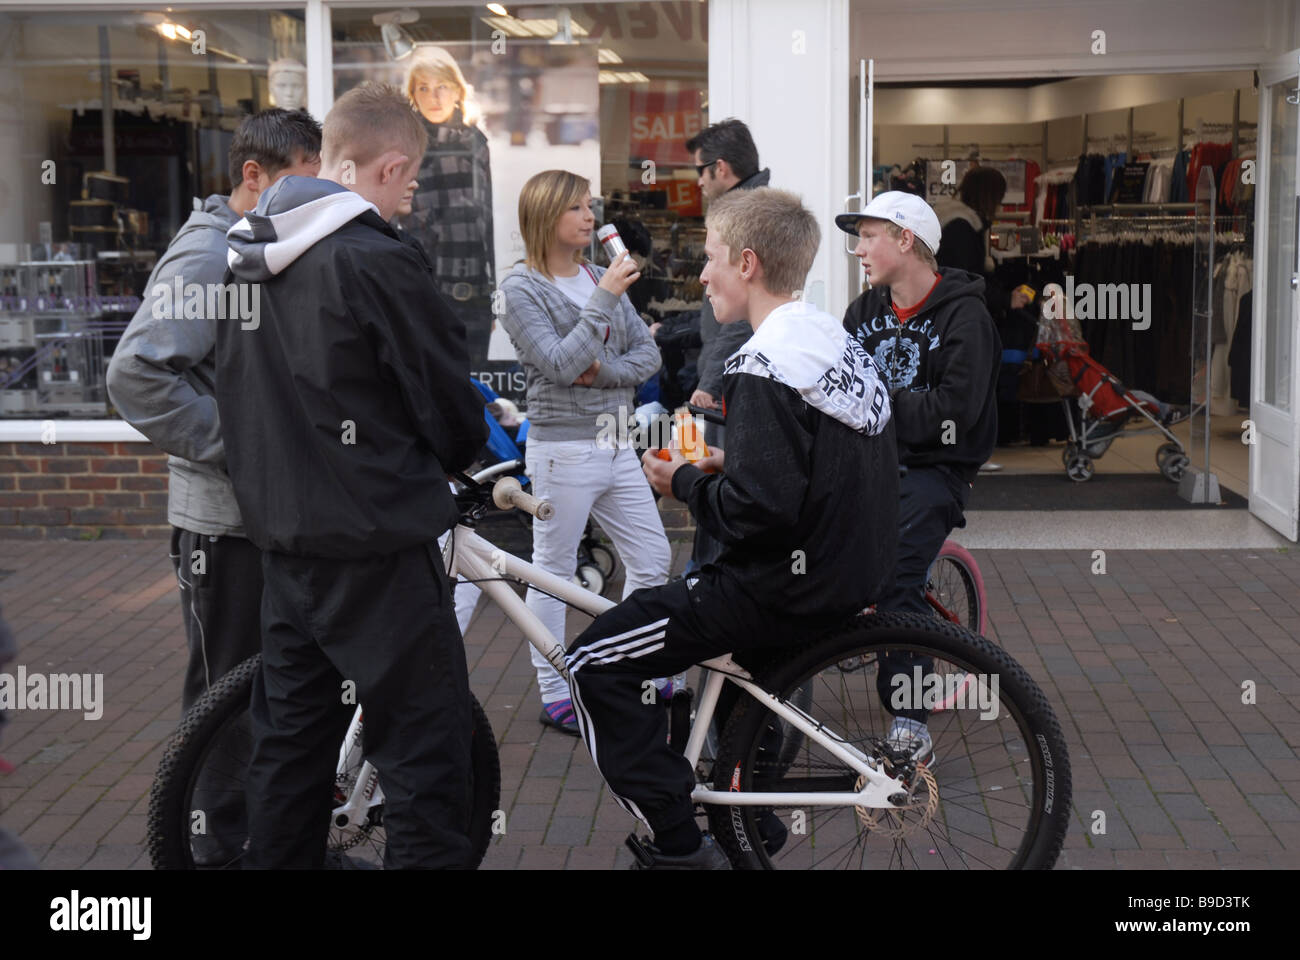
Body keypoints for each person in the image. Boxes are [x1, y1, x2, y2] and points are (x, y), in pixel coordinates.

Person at [566, 187, 897, 869]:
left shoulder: (764, 365)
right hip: (841, 571)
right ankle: (747, 829)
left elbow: (757, 513)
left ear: (746, 263)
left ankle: (679, 843)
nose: (703, 276)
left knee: (593, 662)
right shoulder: (828, 340)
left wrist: (683, 481)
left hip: (777, 586)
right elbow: (810, 470)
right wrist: (731, 460)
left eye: (712, 259)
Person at [216, 82, 488, 869]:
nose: (406, 200)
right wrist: (454, 455)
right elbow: (444, 402)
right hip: (375, 545)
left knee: (290, 748)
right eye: (408, 182)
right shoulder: (375, 259)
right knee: (424, 755)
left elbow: (234, 397)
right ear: (390, 165)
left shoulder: (244, 261)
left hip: (284, 543)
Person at [106, 108, 322, 715]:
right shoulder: (208, 256)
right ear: (254, 175)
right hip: (221, 531)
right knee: (221, 711)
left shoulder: (257, 247)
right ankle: (203, 816)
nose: (315, 195)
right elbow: (134, 375)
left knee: (260, 701)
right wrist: (249, 445)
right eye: (303, 178)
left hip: (257, 518)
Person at [497, 169, 671, 736]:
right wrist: (601, 304)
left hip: (617, 444)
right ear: (546, 217)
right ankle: (555, 690)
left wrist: (603, 374)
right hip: (564, 450)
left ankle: (630, 665)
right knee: (553, 572)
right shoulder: (520, 289)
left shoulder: (603, 273)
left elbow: (649, 356)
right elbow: (556, 364)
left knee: (652, 559)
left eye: (589, 206)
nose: (590, 217)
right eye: (576, 208)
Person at [838, 190, 1001, 764]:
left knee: (895, 575)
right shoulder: (862, 313)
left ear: (906, 240)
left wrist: (875, 409)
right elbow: (839, 392)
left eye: (868, 236)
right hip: (870, 461)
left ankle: (910, 718)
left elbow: (953, 413)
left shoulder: (966, 316)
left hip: (937, 470)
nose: (857, 249)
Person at [683, 118, 770, 571]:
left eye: (700, 171)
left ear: (721, 168)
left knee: (721, 488)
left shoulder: (743, 218)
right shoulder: (753, 209)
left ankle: (710, 587)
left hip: (734, 382)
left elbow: (739, 315)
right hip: (734, 376)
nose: (698, 182)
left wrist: (709, 382)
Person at [401, 47, 500, 388]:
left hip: (474, 291)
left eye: (441, 85)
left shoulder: (475, 142)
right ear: (413, 95)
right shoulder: (405, 146)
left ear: (457, 90)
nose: (434, 96)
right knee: (431, 388)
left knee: (472, 389)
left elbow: (489, 223)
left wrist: (492, 293)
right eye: (423, 88)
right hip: (425, 290)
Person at [932, 166, 1029, 472]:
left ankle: (965, 448)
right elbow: (965, 277)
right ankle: (968, 450)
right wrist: (1004, 299)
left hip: (947, 315)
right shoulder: (962, 227)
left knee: (961, 383)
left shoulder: (955, 222)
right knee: (968, 384)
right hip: (957, 317)